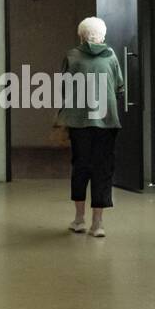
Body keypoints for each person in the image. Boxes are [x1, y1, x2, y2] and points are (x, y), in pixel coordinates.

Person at [56, 16, 124, 237]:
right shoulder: (112, 56)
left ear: (81, 36)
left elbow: (63, 88)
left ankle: (79, 220)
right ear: (102, 35)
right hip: (106, 121)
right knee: (103, 169)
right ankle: (98, 224)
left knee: (81, 166)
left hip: (79, 121)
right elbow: (119, 88)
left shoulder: (72, 56)